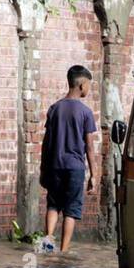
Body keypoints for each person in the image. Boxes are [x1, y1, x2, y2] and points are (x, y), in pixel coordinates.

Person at [40, 65, 98, 253]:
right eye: (89, 85)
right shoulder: (85, 112)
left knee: (53, 205)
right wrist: (94, 174)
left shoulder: (54, 109)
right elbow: (89, 146)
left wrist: (43, 169)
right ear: (81, 85)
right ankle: (63, 252)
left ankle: (47, 246)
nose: (89, 89)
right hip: (75, 168)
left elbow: (46, 142)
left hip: (54, 165)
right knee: (71, 211)